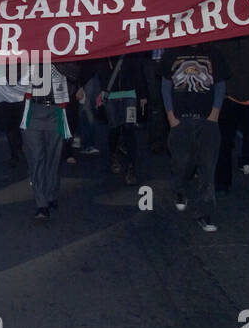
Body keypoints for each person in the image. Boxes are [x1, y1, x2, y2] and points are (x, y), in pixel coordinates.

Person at [161, 40, 228, 232]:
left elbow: (221, 83)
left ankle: (204, 212)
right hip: (181, 119)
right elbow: (165, 85)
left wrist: (215, 112)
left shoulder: (214, 51)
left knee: (207, 168)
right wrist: (170, 116)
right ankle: (179, 189)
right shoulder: (172, 51)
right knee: (181, 162)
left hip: (207, 120)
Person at [211, 34, 249, 207]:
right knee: (224, 144)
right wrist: (222, 94)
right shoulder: (219, 40)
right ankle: (222, 183)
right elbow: (216, 68)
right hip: (227, 98)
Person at [23, 59, 80, 220]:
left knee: (53, 157)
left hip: (56, 109)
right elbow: (13, 75)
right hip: (32, 109)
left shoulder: (62, 49)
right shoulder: (27, 49)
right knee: (36, 158)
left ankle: (51, 193)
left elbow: (75, 72)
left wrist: (53, 58)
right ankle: (41, 203)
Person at [95, 52, 149, 185]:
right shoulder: (107, 50)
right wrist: (101, 91)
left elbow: (138, 69)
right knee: (114, 128)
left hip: (130, 93)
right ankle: (113, 154)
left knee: (129, 128)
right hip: (111, 94)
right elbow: (100, 70)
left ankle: (131, 168)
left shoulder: (130, 50)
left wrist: (142, 94)